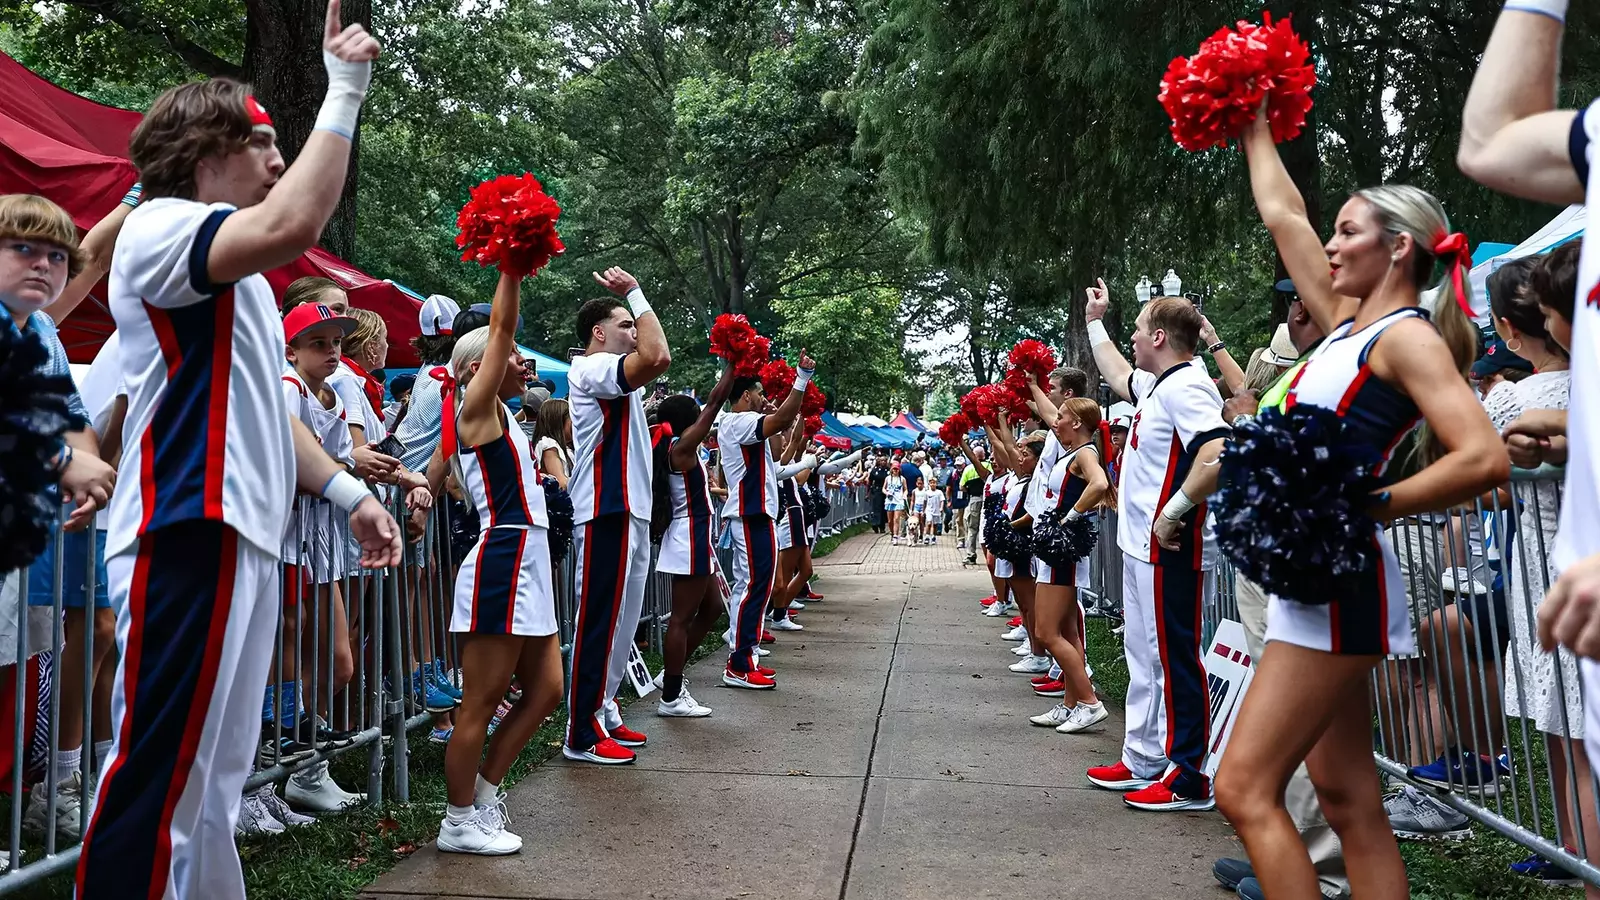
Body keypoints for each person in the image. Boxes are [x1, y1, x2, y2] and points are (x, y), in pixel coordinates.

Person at [76, 9, 403, 895]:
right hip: (189, 524)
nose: (275, 159)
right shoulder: (161, 230)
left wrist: (348, 494)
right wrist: (345, 89)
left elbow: (271, 423)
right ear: (203, 151)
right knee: (161, 774)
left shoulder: (240, 280)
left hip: (236, 533)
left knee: (212, 784)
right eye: (261, 141)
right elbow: (296, 220)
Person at [1212, 102, 1509, 900]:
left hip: (1339, 589)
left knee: (1243, 787)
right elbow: (1283, 212)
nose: (1331, 244)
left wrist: (1371, 505)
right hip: (1323, 584)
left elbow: (1481, 457)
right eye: (1334, 231)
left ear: (1399, 247)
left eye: (1348, 231)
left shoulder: (1405, 335)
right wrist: (1253, 126)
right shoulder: (1347, 322)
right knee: (1347, 800)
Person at [424, 271, 563, 855]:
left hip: (528, 558)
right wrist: (511, 265)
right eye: (514, 359)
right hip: (502, 558)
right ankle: (456, 821)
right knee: (480, 700)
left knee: (547, 689)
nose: (524, 366)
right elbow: (503, 326)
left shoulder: (501, 414)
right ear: (482, 365)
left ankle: (482, 797)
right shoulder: (475, 407)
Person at [1, 194, 120, 843]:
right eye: (23, 248)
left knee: (12, 680)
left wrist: (88, 472)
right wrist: (59, 460)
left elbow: (71, 419)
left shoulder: (41, 329)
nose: (45, 264)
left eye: (55, 255)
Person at [1084, 283, 1230, 813]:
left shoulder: (1187, 386)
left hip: (1171, 545)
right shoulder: (1159, 382)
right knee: (1144, 655)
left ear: (1161, 336)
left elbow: (1216, 450)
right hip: (1143, 543)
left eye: (1140, 328)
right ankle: (1144, 756)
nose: (1134, 336)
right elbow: (1115, 370)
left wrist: (1174, 511)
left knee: (1175, 658)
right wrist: (1095, 320)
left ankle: (1189, 774)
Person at [562, 267, 671, 765]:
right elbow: (658, 356)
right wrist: (634, 290)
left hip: (629, 508)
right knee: (598, 620)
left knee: (623, 621)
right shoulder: (588, 369)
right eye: (625, 324)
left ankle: (602, 708)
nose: (635, 330)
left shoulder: (612, 374)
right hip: (603, 508)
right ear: (599, 333)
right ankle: (580, 730)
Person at [718, 351, 817, 689]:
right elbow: (779, 423)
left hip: (755, 513)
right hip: (749, 513)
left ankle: (745, 655)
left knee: (755, 586)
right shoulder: (738, 421)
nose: (764, 398)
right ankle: (739, 662)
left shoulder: (743, 423)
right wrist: (800, 378)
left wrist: (778, 415)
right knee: (751, 586)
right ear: (745, 395)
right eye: (759, 392)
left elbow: (775, 451)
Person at [651, 367, 737, 716]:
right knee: (681, 619)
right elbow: (715, 403)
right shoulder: (680, 448)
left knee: (713, 608)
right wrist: (732, 366)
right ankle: (671, 695)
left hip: (695, 537)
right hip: (689, 537)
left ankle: (670, 673)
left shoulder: (678, 447)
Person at [1025, 397, 1110, 734]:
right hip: (1055, 552)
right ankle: (1071, 704)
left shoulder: (1084, 453)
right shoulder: (1070, 453)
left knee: (1046, 632)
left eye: (1060, 416)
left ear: (1076, 422)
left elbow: (1100, 484)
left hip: (1061, 554)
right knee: (1069, 633)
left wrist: (1069, 517)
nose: (1055, 420)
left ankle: (1089, 703)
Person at [532, 398, 575, 491]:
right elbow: (562, 482)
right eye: (572, 419)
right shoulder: (548, 444)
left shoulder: (569, 447)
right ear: (559, 421)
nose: (575, 424)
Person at [867, 451, 890, 533]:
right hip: (877, 490)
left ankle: (882, 526)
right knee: (877, 508)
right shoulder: (875, 470)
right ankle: (875, 524)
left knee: (884, 509)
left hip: (886, 491)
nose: (883, 462)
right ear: (879, 461)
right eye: (881, 460)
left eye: (885, 460)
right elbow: (870, 482)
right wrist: (868, 493)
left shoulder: (888, 471)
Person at [884, 465, 906, 544]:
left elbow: (905, 489)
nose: (895, 471)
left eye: (897, 469)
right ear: (891, 470)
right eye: (894, 469)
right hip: (890, 501)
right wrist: (886, 493)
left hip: (898, 500)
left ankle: (896, 536)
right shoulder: (888, 478)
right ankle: (892, 533)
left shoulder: (902, 479)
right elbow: (883, 488)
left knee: (896, 519)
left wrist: (904, 495)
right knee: (890, 520)